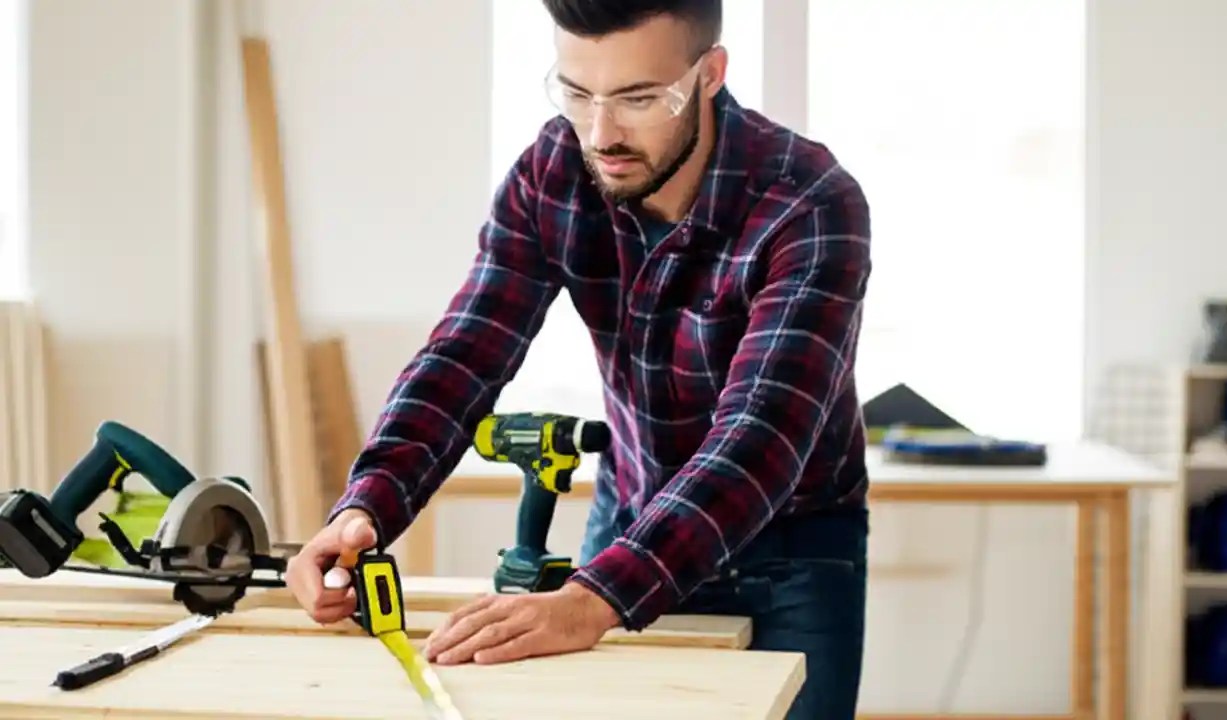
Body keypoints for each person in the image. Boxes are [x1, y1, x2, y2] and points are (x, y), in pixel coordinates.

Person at [284, 1, 871, 717]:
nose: (601, 133)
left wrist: (597, 597)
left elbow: (760, 437)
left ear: (710, 74)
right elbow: (464, 355)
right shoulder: (553, 171)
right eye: (577, 93)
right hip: (628, 513)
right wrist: (367, 505)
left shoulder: (810, 203)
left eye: (638, 98)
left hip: (793, 547)